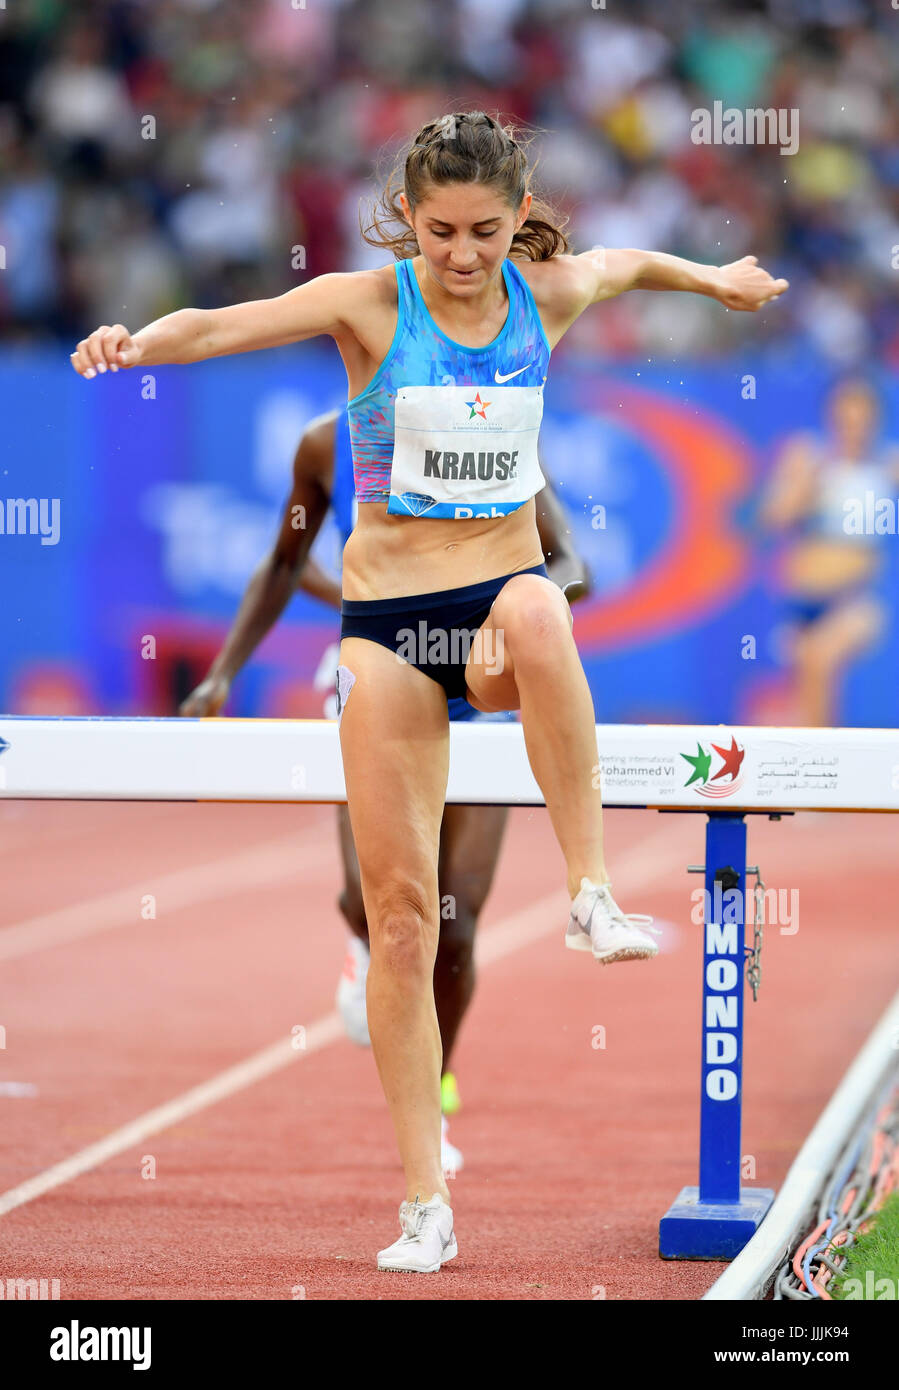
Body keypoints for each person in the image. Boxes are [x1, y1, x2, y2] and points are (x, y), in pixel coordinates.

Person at [70, 109, 788, 1273]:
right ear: (408, 215)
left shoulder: (544, 295)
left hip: (492, 608)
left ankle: (588, 890)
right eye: (441, 231)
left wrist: (718, 280)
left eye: (486, 234)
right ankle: (422, 1204)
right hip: (384, 629)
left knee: (544, 606)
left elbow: (629, 264)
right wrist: (133, 343)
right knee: (403, 921)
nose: (462, 257)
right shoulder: (370, 302)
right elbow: (228, 322)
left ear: (518, 222)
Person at [179, 404, 592, 1177]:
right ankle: (360, 944)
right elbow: (279, 563)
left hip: (479, 692)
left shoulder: (496, 427)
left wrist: (519, 620)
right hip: (379, 680)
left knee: (457, 924)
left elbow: (570, 561)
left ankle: (432, 1095)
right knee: (370, 906)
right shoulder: (325, 442)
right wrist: (221, 673)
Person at [759, 378, 899, 727]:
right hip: (803, 600)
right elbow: (771, 518)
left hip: (859, 598)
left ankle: (823, 765)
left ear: (875, 420)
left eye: (861, 420)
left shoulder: (888, 465)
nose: (852, 429)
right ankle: (816, 759)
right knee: (801, 694)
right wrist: (805, 488)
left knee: (820, 658)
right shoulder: (808, 457)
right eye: (845, 419)